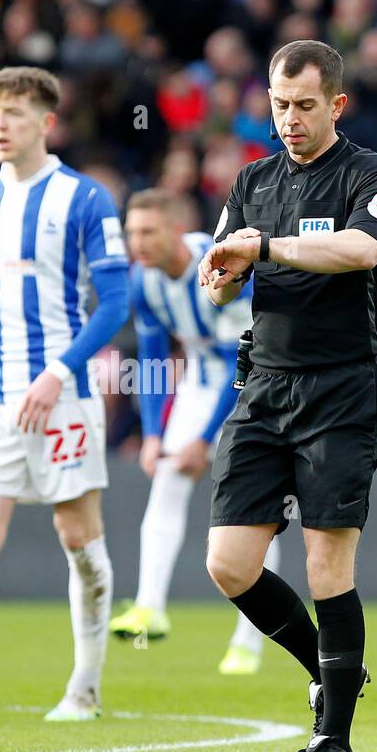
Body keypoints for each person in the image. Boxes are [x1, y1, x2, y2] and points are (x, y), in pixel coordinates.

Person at [198, 40, 377, 752]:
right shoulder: (251, 181)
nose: (290, 119)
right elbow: (220, 274)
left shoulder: (371, 174)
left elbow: (359, 252)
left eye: (305, 106)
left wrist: (265, 250)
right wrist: (219, 275)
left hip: (339, 391)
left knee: (327, 563)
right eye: (280, 105)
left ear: (336, 105)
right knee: (228, 564)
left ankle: (334, 743)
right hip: (264, 389)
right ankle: (325, 669)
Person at [0, 66, 129, 723]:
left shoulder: (86, 198)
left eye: (13, 113)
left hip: (60, 396)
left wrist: (59, 372)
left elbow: (116, 301)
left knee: (78, 539)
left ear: (46, 122)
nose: (0, 126)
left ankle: (85, 687)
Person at [107, 188, 280, 675]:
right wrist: (155, 432)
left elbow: (236, 361)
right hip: (203, 384)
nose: (136, 243)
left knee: (254, 514)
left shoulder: (221, 264)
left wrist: (203, 441)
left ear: (177, 230)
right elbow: (155, 357)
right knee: (166, 481)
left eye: (147, 232)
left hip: (255, 388)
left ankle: (250, 641)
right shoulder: (143, 279)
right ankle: (149, 608)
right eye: (131, 232)